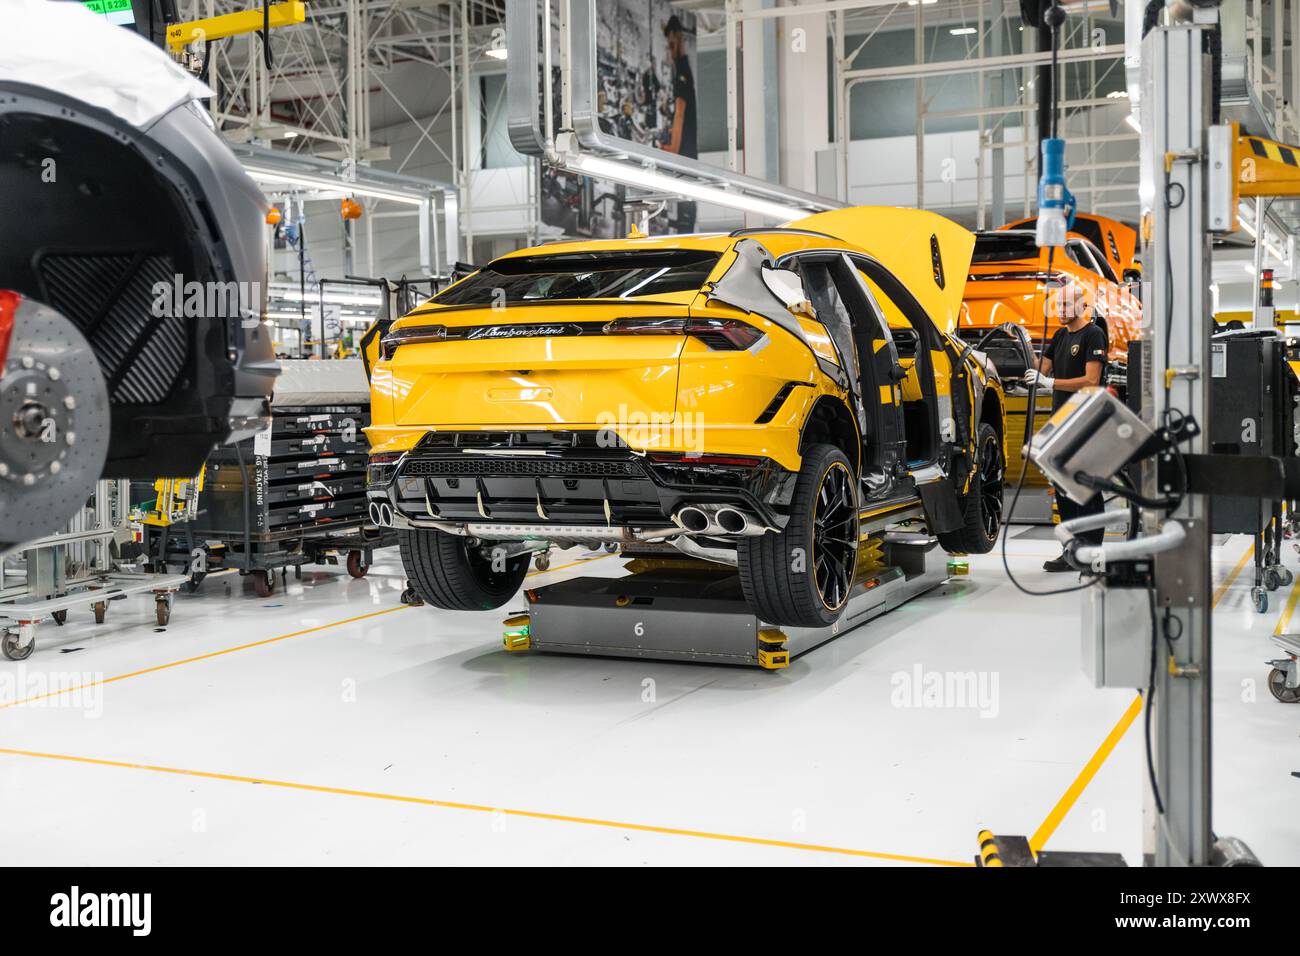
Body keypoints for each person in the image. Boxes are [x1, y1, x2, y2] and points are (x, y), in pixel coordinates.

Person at [1023, 279, 1108, 572]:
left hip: (1085, 422)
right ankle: (1071, 552)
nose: (1060, 309)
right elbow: (1040, 370)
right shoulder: (1060, 336)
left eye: (1066, 304)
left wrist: (1051, 383)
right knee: (1062, 489)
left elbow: (1091, 381)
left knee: (1085, 488)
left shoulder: (1093, 335)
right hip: (1061, 423)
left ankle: (1093, 554)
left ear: (1083, 305)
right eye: (1057, 304)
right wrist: (1021, 343)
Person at [660, 14, 697, 232]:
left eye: (671, 42)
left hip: (685, 155)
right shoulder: (682, 67)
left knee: (686, 204)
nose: (669, 47)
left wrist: (672, 148)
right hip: (688, 155)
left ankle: (685, 228)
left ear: (678, 38)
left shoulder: (681, 72)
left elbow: (681, 114)